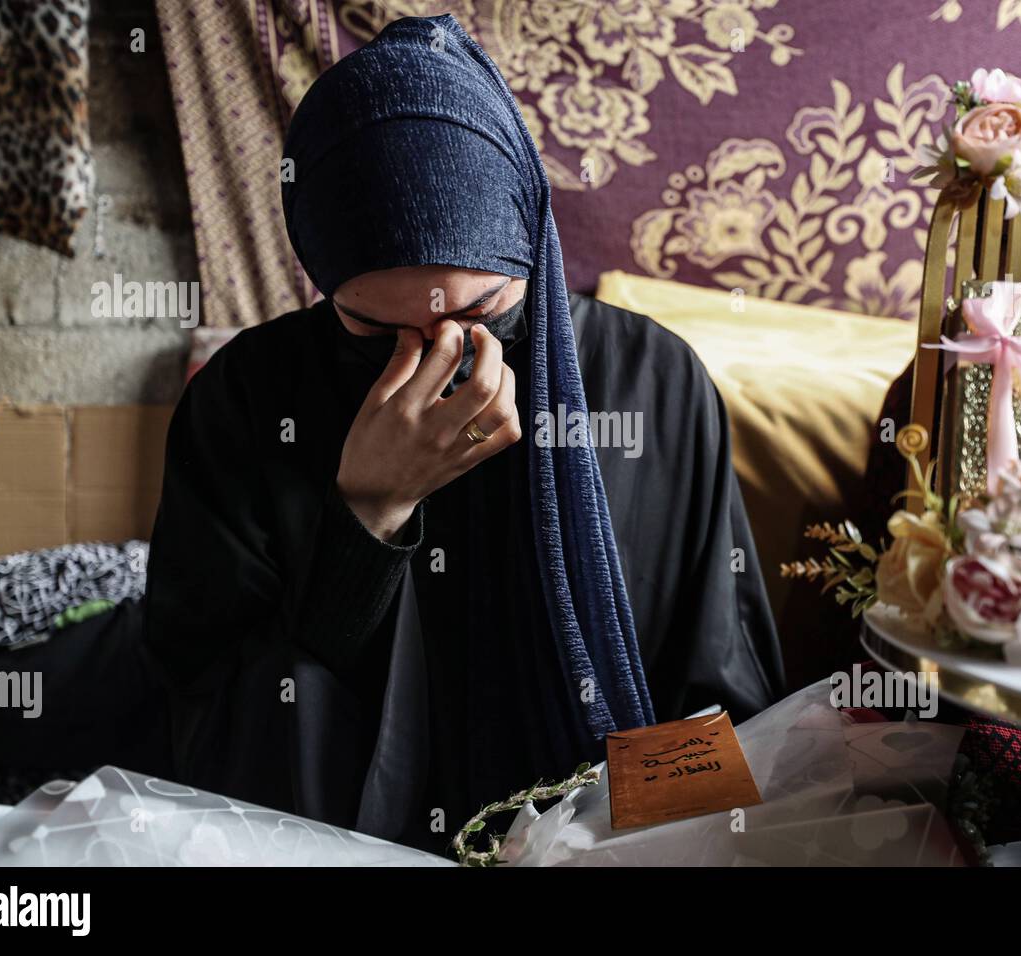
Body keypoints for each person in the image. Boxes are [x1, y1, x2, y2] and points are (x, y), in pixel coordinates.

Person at [141, 14, 784, 856]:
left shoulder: (655, 386)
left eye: (484, 315)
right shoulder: (244, 404)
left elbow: (719, 707)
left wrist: (593, 842)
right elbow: (215, 738)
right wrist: (367, 517)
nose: (439, 363)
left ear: (530, 246)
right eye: (374, 332)